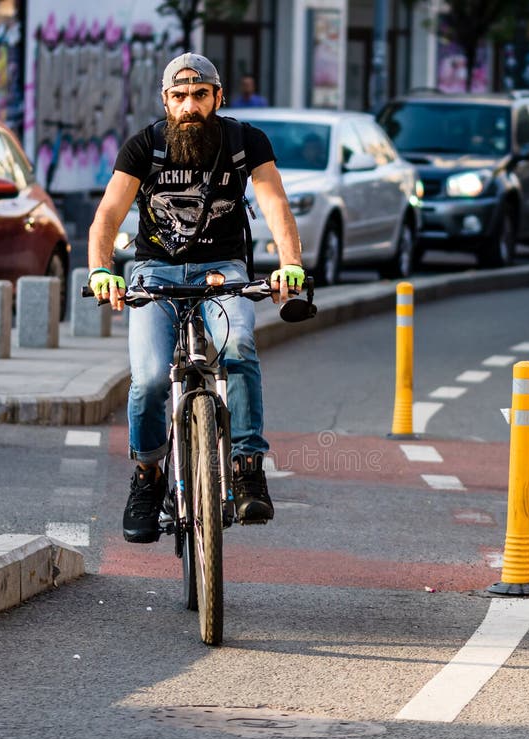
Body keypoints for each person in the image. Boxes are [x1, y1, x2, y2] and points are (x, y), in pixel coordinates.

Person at [87, 52, 304, 543]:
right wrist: (102, 270)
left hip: (223, 269)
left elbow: (275, 204)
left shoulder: (246, 142)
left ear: (218, 97)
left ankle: (248, 466)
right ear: (166, 100)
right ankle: (147, 475)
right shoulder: (144, 146)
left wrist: (290, 263)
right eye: (180, 96)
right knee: (146, 381)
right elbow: (107, 216)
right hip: (154, 271)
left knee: (239, 349)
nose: (190, 105)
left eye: (201, 95)